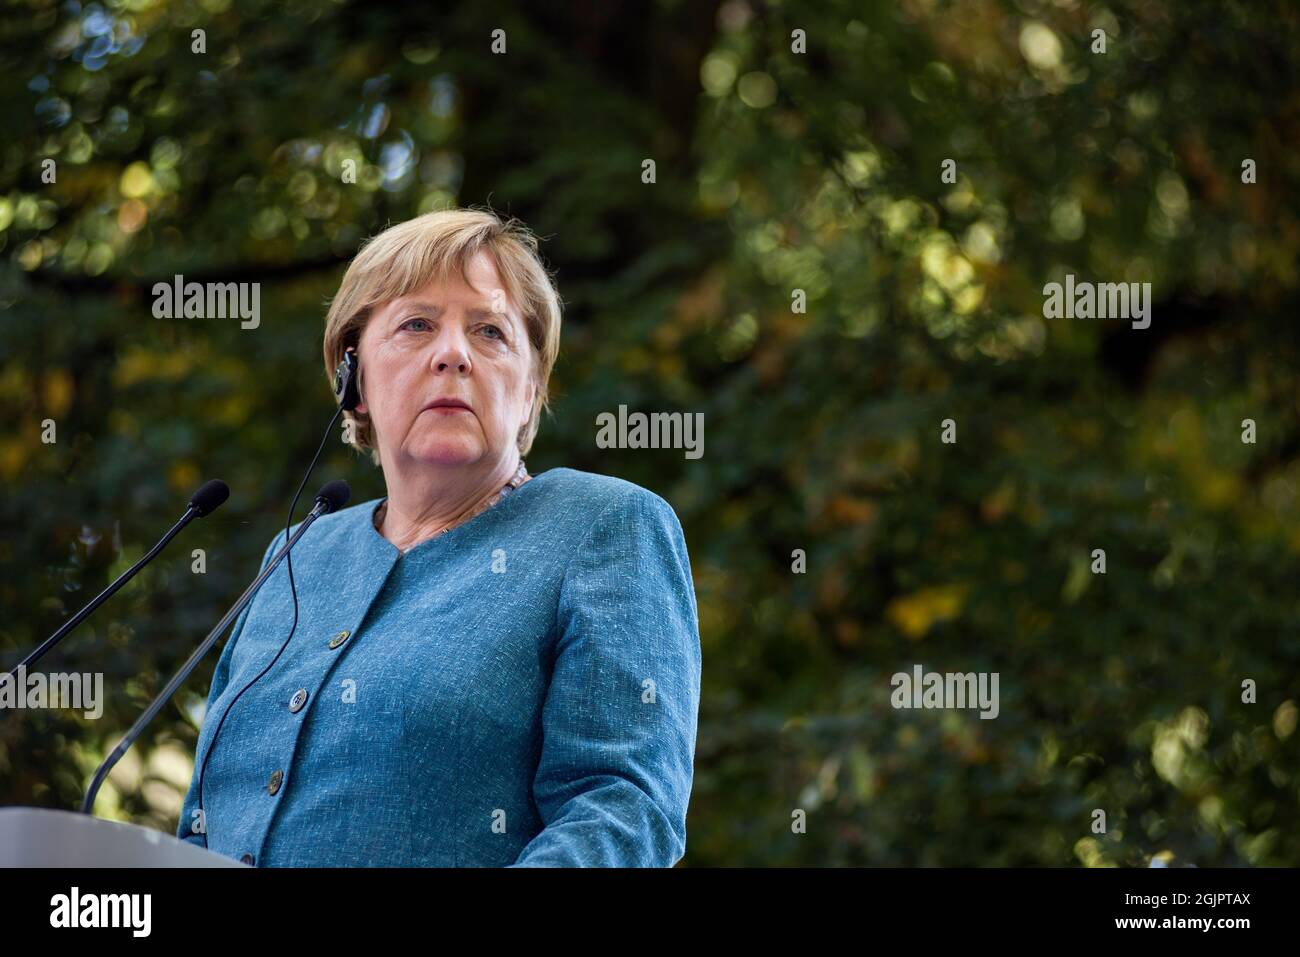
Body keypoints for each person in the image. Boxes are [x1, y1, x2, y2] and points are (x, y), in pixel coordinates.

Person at [175, 208, 702, 866]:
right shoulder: (295, 555)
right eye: (417, 324)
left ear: (531, 385)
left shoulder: (602, 524)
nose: (452, 352)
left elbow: (622, 810)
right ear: (352, 379)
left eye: (490, 331)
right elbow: (199, 822)